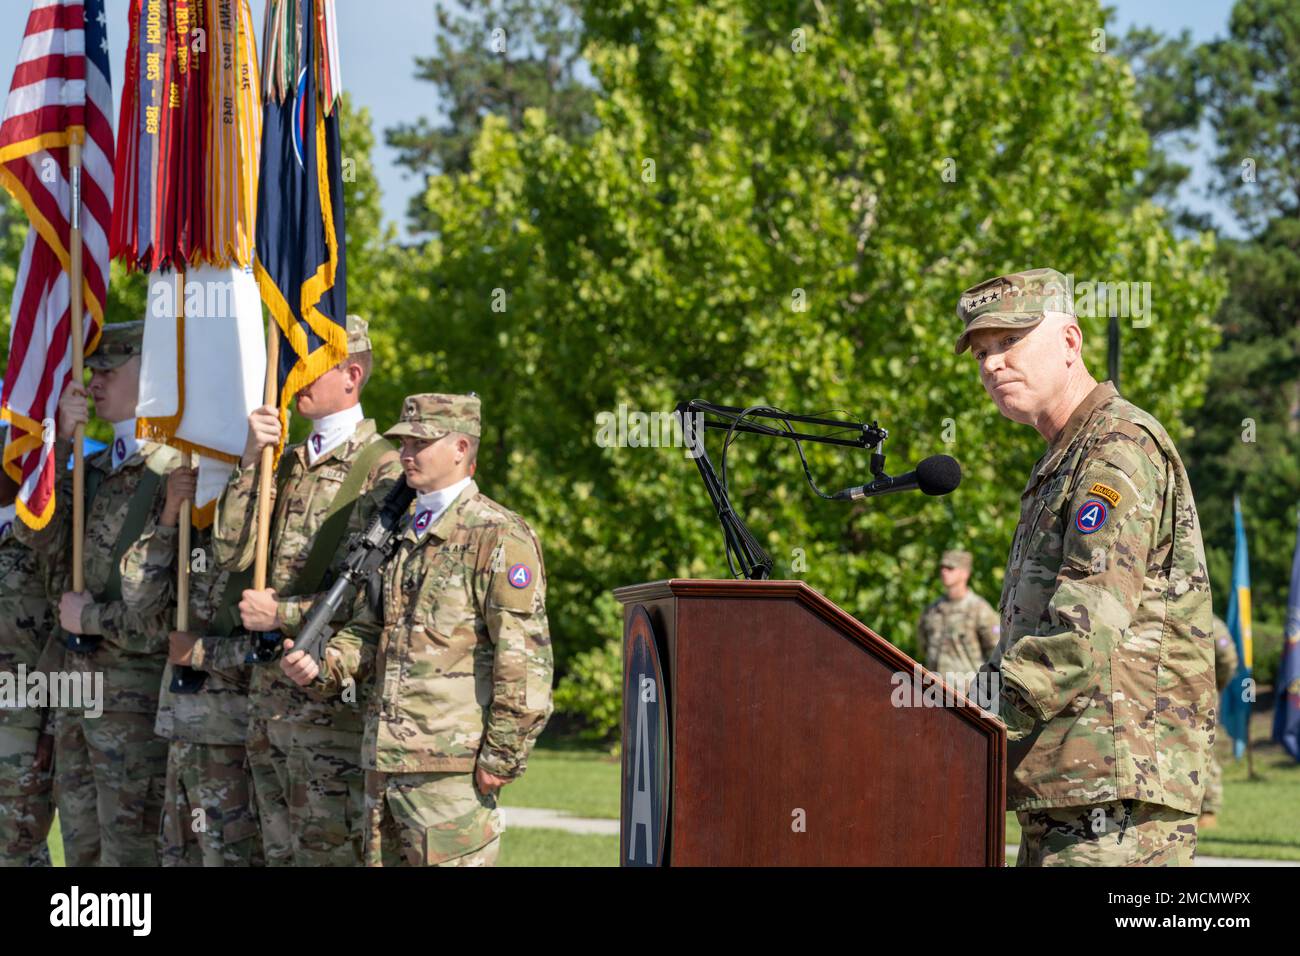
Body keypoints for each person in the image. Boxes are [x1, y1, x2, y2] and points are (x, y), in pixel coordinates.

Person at [958, 268, 1215, 867]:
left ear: (1070, 342)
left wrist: (973, 716)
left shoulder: (1116, 448)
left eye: (1009, 343)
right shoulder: (1063, 458)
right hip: (1068, 791)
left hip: (1114, 806)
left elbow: (1083, 626)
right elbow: (1032, 629)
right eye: (982, 353)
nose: (993, 365)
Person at [281, 393, 554, 867]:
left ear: (461, 448)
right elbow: (370, 631)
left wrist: (501, 758)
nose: (407, 452)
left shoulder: (496, 534)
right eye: (404, 441)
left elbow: (525, 660)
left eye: (422, 441)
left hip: (450, 775)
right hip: (384, 764)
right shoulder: (394, 532)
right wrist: (322, 666)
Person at [211, 314, 401, 866]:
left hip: (330, 713)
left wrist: (282, 612)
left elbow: (380, 595)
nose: (294, 377)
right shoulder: (285, 462)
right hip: (268, 705)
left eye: (310, 364)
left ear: (352, 375)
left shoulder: (385, 471)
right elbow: (229, 551)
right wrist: (251, 459)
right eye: (291, 363)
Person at [15, 320, 180, 866]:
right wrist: (57, 443)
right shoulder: (90, 469)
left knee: (131, 852)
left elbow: (169, 608)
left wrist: (94, 620)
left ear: (149, 374)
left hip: (132, 689)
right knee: (81, 847)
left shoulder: (174, 472)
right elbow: (35, 537)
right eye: (93, 370)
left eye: (110, 370)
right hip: (74, 687)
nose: (95, 382)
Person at [120, 465, 262, 865]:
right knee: (177, 856)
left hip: (233, 735)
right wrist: (169, 514)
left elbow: (276, 648)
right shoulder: (191, 530)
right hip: (181, 726)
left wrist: (200, 652)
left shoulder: (267, 534)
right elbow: (139, 595)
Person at [0, 461, 56, 866]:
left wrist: (53, 727)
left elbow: (63, 638)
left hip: (21, 724)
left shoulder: (41, 533)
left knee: (20, 850)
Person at [916, 549, 999, 685]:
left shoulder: (980, 610)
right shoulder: (932, 610)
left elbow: (996, 654)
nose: (944, 572)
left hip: (967, 696)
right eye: (942, 567)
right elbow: (923, 648)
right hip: (934, 692)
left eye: (950, 568)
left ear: (965, 573)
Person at [1199, 616, 1238, 830]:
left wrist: (1215, 684)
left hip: (1200, 694)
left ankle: (1208, 809)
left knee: (1205, 750)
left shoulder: (1211, 623)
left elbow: (1227, 658)